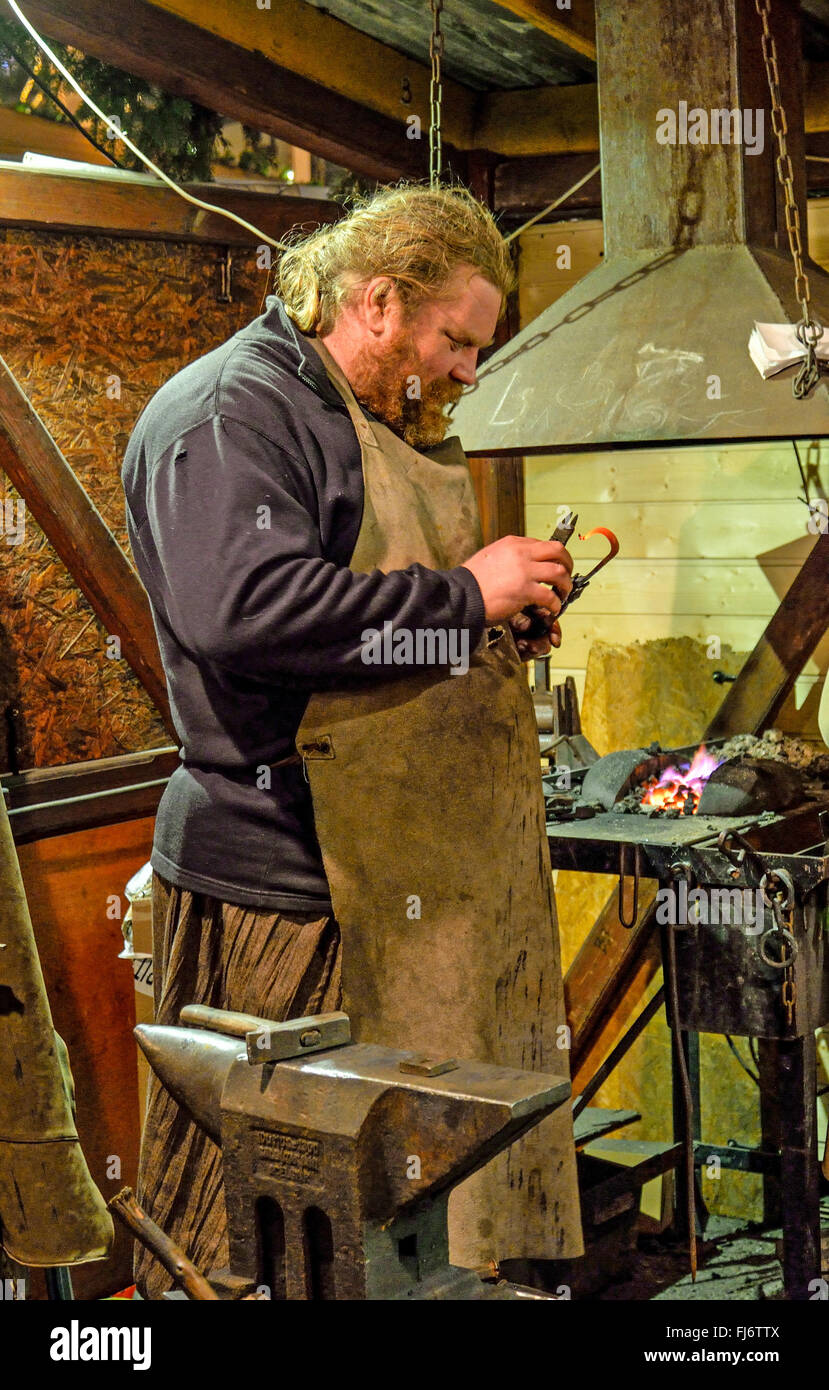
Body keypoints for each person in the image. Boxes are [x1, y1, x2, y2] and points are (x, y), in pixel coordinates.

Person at [122, 182, 583, 1298]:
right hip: (281, 876)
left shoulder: (351, 409)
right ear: (378, 301)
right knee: (264, 1222)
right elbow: (247, 612)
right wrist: (462, 594)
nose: (468, 368)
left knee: (382, 1224)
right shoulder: (235, 414)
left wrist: (479, 625)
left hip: (390, 871)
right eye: (456, 340)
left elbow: (366, 619)